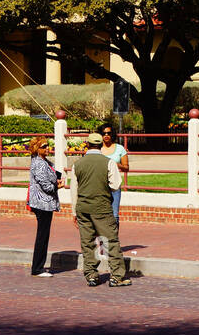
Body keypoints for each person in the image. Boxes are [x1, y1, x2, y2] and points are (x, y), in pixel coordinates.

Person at [70, 131, 131, 287]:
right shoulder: (108, 162)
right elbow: (116, 185)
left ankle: (91, 274)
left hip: (82, 207)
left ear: (88, 145)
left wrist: (74, 212)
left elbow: (73, 190)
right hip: (102, 207)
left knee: (87, 242)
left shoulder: (77, 164)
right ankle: (117, 276)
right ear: (100, 146)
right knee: (110, 240)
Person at [26, 135, 63, 277]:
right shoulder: (38, 163)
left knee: (44, 234)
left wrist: (57, 180)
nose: (48, 148)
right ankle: (37, 268)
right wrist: (58, 186)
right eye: (44, 146)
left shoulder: (43, 161)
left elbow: (52, 174)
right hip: (42, 203)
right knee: (42, 235)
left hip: (44, 203)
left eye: (48, 145)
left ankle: (38, 266)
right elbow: (47, 186)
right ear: (37, 149)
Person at [98, 123, 129, 222]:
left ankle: (113, 237)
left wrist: (116, 164)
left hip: (114, 186)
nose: (106, 135)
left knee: (114, 215)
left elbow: (126, 168)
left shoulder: (120, 149)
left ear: (112, 134)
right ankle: (102, 237)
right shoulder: (97, 149)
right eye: (103, 133)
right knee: (100, 214)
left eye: (109, 133)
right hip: (100, 186)